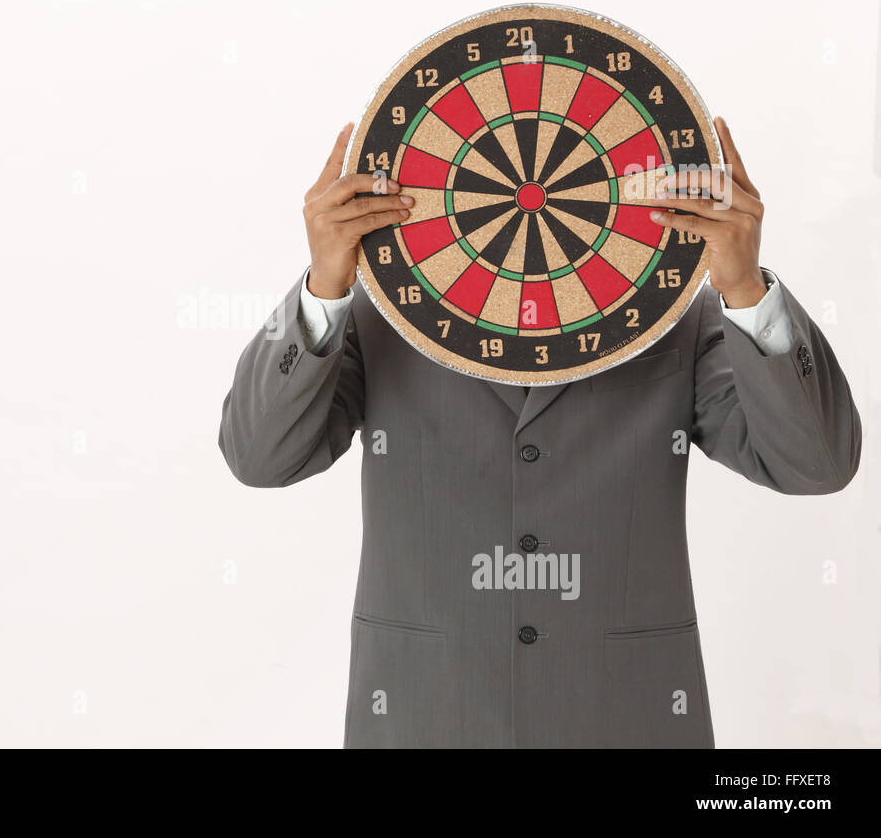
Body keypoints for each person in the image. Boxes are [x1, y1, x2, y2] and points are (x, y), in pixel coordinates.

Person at [217, 117, 862, 748]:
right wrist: (325, 287)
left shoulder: (672, 318)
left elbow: (816, 465)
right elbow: (259, 456)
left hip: (625, 718)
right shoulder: (384, 314)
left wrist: (745, 289)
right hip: (425, 714)